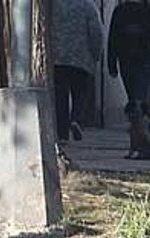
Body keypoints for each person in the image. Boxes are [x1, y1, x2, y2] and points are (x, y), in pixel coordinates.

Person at [108, 0, 150, 119]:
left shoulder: (120, 11)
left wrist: (111, 63)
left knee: (131, 91)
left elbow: (113, 38)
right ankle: (139, 110)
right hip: (145, 57)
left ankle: (136, 111)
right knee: (142, 90)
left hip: (125, 56)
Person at [52, 0, 104, 143]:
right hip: (81, 57)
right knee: (80, 92)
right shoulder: (88, 5)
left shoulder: (53, 5)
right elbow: (96, 32)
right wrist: (96, 53)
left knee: (60, 96)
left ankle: (62, 133)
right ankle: (76, 119)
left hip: (58, 57)